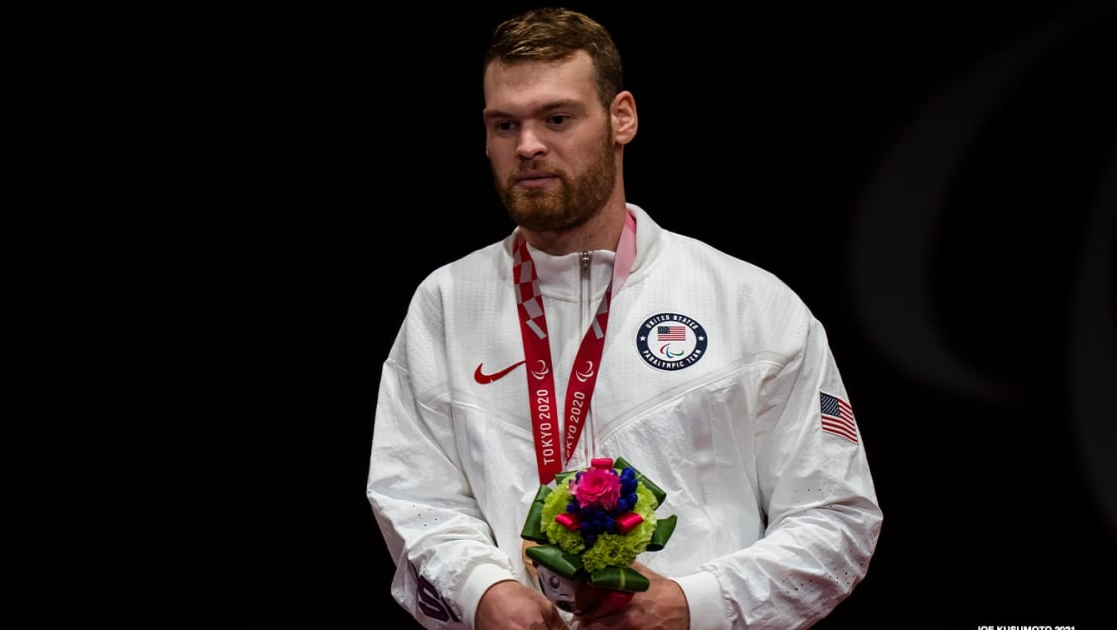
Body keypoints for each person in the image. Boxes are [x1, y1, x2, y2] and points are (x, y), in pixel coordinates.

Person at [366, 7, 882, 629]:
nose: (527, 145)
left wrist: (693, 606)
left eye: (557, 118)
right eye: (505, 125)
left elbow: (835, 518)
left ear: (622, 118)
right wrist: (482, 592)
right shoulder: (446, 305)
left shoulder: (750, 303)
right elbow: (413, 498)